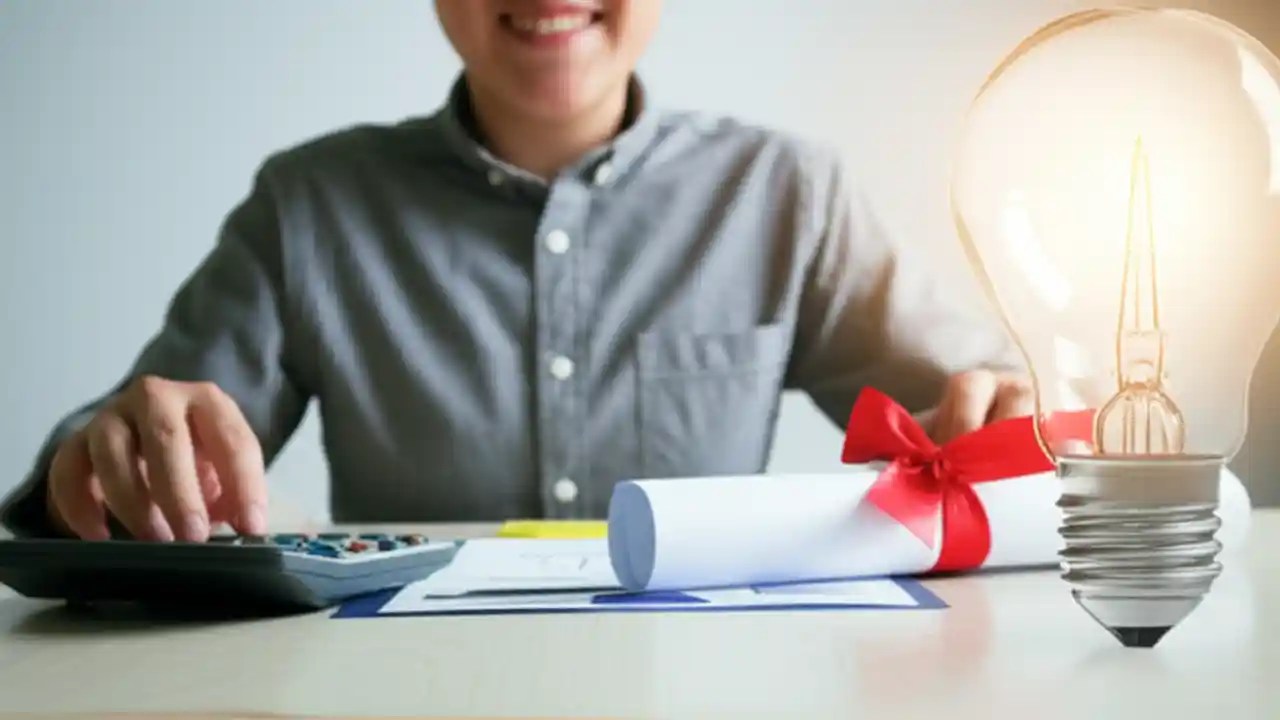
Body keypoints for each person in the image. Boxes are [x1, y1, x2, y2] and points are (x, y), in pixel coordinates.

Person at [0, 0, 1033, 543]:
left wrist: (1018, 420)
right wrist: (96, 465)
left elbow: (978, 421)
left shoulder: (788, 192)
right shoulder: (309, 204)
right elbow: (116, 467)